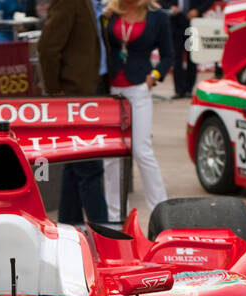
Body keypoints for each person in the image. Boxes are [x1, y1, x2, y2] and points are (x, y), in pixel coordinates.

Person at [101, 0, 170, 222]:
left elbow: (169, 55)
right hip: (110, 89)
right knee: (111, 156)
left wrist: (156, 75)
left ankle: (161, 212)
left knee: (142, 150)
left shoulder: (158, 16)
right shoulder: (109, 13)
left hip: (139, 88)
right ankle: (115, 216)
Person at [39, 0, 106, 224]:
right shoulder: (69, 2)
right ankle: (103, 233)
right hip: (74, 95)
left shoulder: (90, 3)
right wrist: (55, 90)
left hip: (90, 89)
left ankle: (69, 226)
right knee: (90, 166)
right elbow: (47, 47)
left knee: (75, 165)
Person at [160, 0, 209, 99]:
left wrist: (197, 10)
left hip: (194, 23)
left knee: (192, 58)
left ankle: (188, 89)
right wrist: (170, 7)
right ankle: (179, 90)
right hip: (175, 22)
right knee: (176, 58)